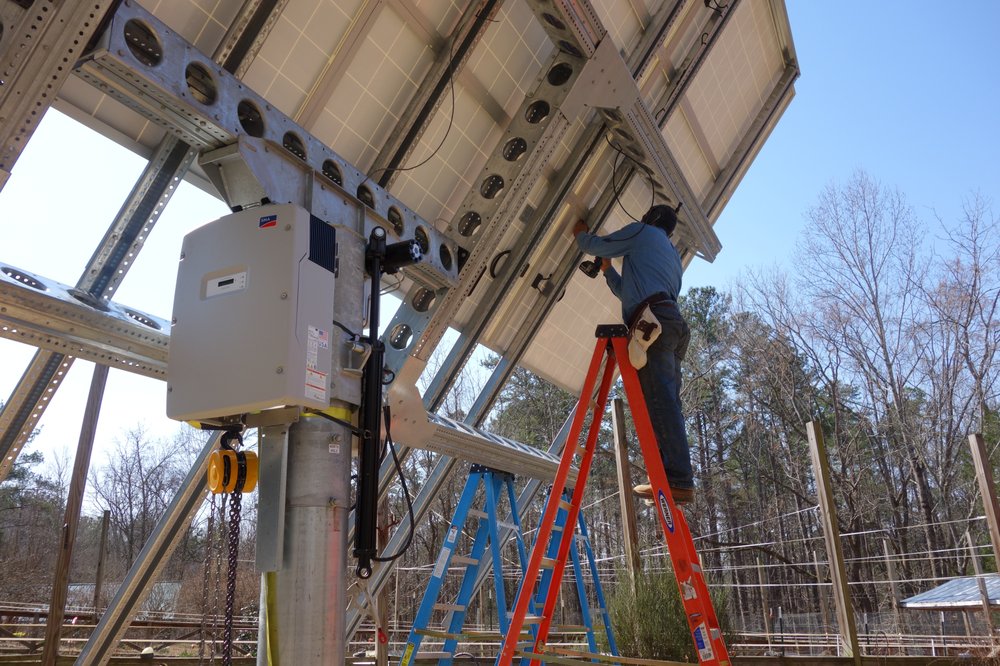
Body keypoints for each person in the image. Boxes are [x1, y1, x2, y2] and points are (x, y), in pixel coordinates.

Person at [571, 204, 694, 505]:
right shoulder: (672, 256)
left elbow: (597, 244)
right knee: (667, 403)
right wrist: (607, 271)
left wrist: (580, 233)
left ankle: (677, 480)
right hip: (670, 324)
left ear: (649, 219)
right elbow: (630, 290)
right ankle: (671, 477)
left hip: (654, 325)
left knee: (660, 403)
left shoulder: (641, 233)